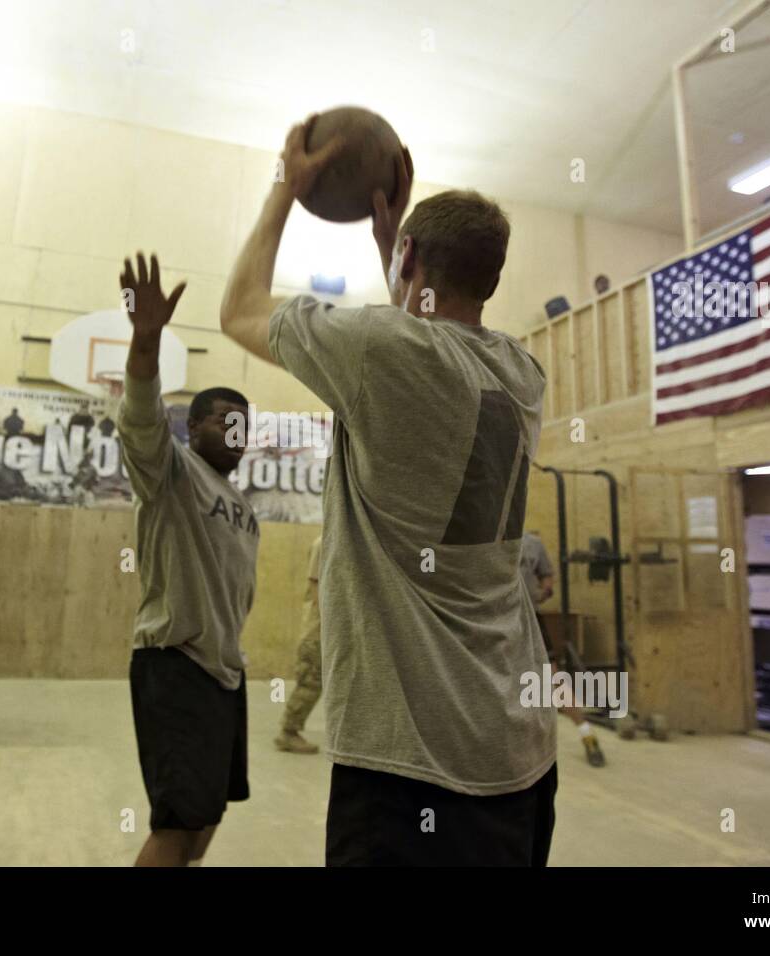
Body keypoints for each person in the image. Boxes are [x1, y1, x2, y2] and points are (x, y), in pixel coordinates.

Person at [220, 116, 557, 866]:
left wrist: (286, 184)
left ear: (409, 258)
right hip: (518, 750)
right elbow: (431, 340)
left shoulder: (379, 349)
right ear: (492, 278)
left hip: (413, 762)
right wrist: (396, 248)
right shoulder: (523, 374)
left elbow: (238, 308)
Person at [117, 252, 259, 867]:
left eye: (244, 429)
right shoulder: (171, 473)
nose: (237, 437)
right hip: (175, 666)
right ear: (194, 426)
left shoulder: (242, 504)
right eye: (226, 424)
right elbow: (142, 413)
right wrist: (145, 343)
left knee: (206, 817)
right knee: (176, 824)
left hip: (225, 674)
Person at [521, 531, 606, 767]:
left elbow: (547, 577)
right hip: (496, 620)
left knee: (554, 676)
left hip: (530, 618)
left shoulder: (532, 542)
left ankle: (587, 734)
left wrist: (543, 592)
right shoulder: (486, 538)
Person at [276, 535, 323, 754]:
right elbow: (316, 586)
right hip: (318, 633)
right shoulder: (323, 543)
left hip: (328, 632)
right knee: (310, 683)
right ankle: (288, 732)